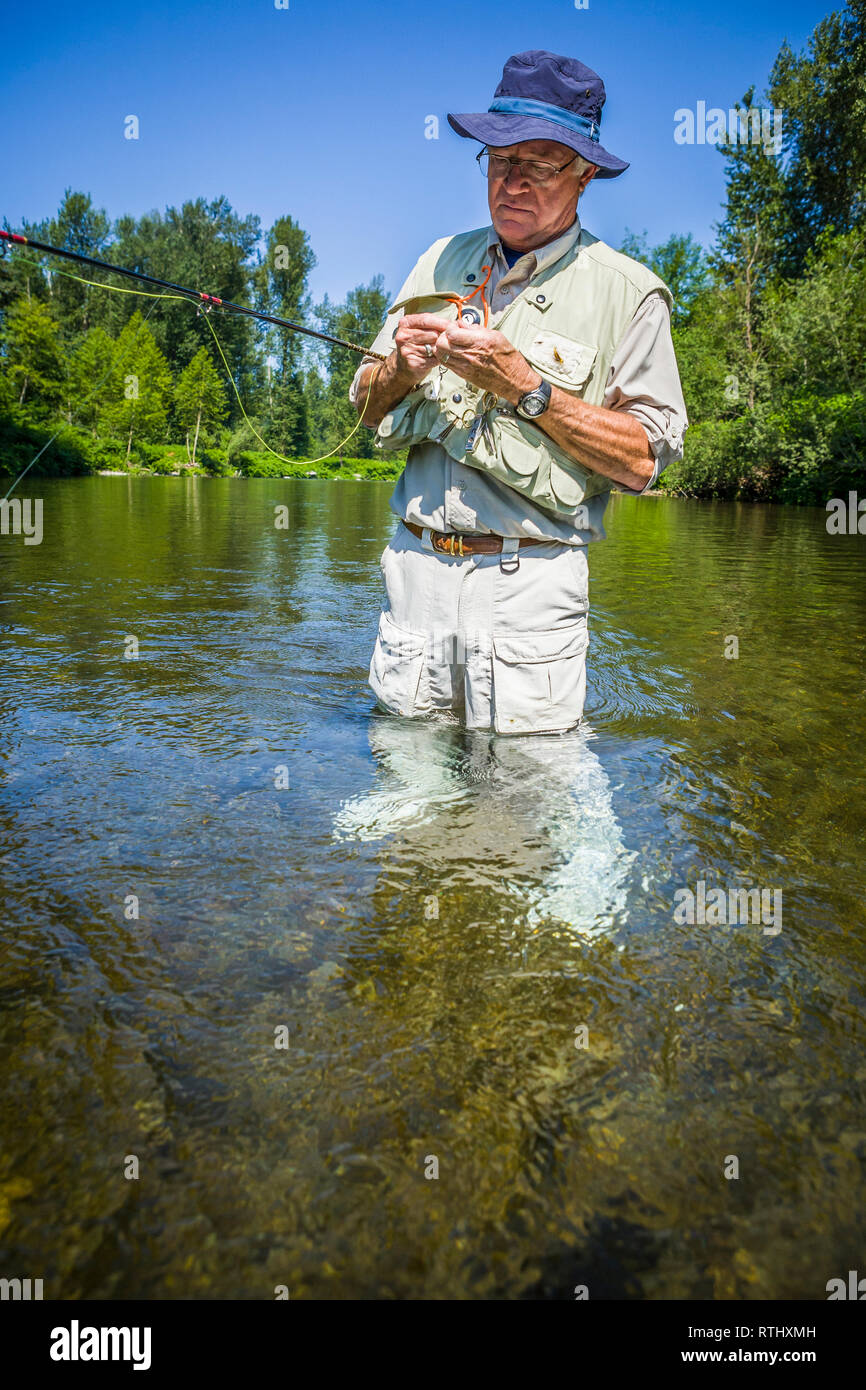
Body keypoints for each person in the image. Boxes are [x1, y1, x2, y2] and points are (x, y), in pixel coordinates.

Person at [350, 49, 687, 737]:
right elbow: (365, 407)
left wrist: (529, 390)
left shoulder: (630, 293)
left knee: (532, 801)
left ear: (585, 175)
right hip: (413, 571)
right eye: (500, 160)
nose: (513, 183)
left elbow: (642, 460)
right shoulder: (437, 259)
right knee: (405, 794)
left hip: (530, 586)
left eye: (539, 164)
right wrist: (398, 372)